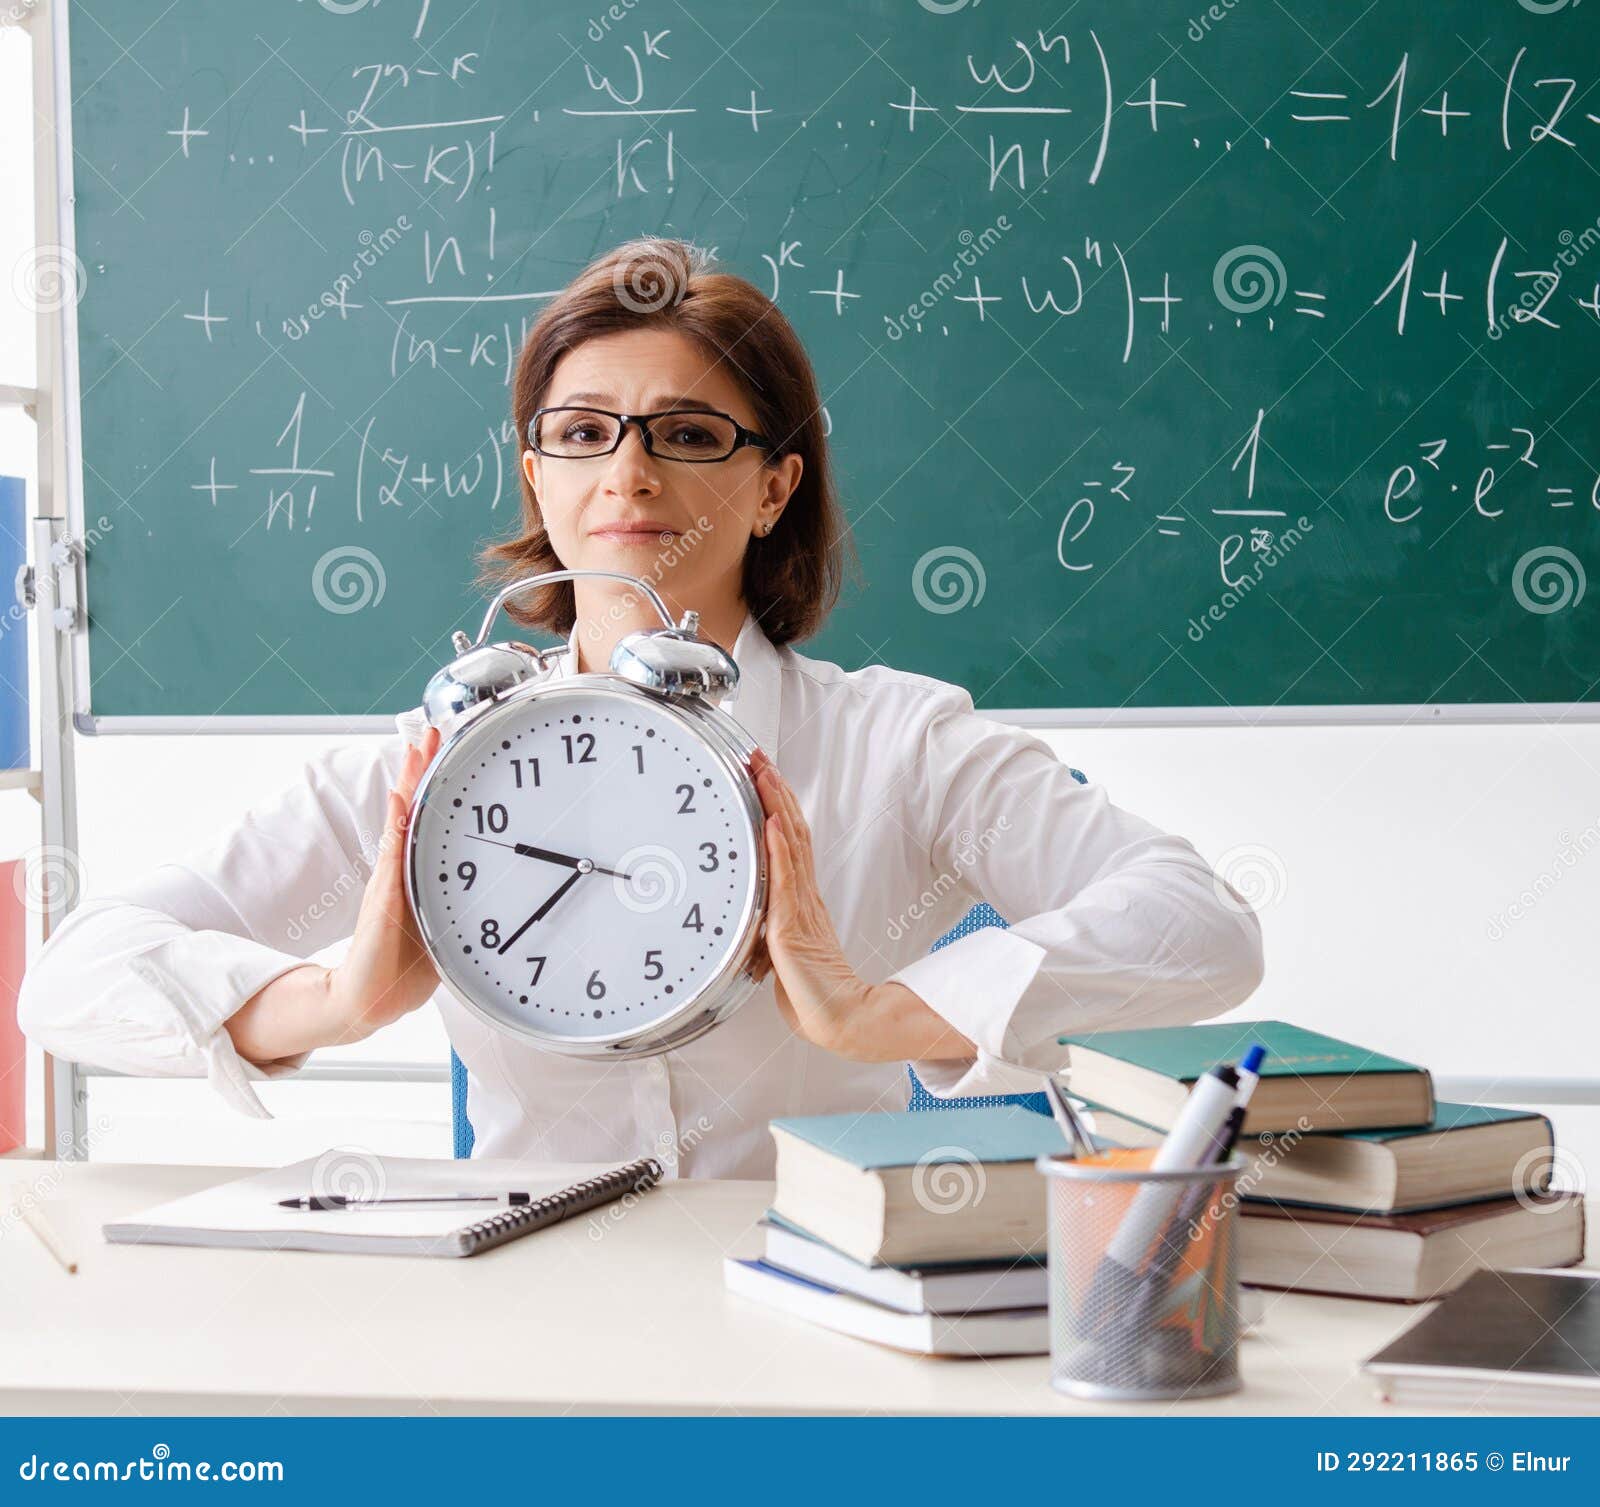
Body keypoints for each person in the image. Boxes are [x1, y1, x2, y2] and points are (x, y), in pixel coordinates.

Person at [17, 238, 1264, 1179]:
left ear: (775, 485)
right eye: (581, 431)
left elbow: (1202, 924)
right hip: (528, 1309)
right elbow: (69, 984)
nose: (628, 470)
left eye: (686, 432)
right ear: (536, 474)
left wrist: (877, 1007)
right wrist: (336, 998)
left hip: (822, 1289)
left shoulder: (898, 743)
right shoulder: (434, 769)